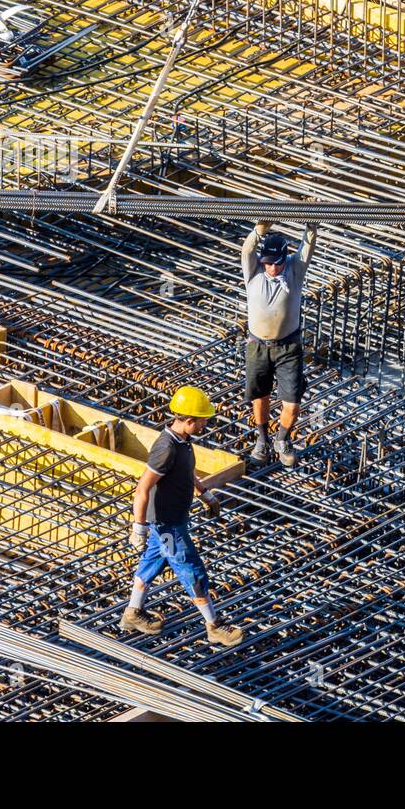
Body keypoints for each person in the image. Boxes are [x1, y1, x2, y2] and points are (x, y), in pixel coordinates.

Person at [121, 386, 243, 648]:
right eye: (203, 420)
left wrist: (205, 494)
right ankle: (214, 626)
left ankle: (132, 613)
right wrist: (138, 527)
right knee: (191, 569)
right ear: (189, 420)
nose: (206, 424)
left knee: (152, 563)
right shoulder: (166, 448)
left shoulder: (183, 441)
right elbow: (142, 488)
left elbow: (186, 472)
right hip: (167, 526)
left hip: (171, 522)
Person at [241, 221, 317, 467]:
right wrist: (259, 231)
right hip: (258, 346)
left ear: (286, 258)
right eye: (268, 263)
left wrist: (312, 224)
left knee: (292, 403)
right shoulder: (254, 273)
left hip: (288, 347)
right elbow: (247, 251)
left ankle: (282, 438)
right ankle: (262, 440)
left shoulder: (294, 271)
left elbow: (307, 247)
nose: (272, 267)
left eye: (277, 262)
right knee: (259, 396)